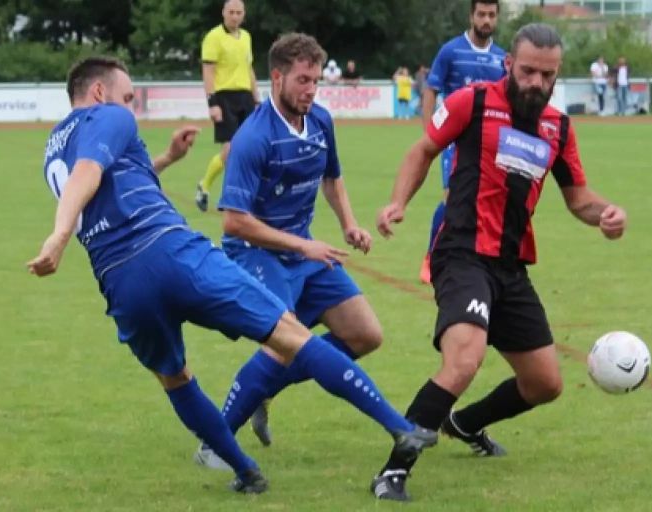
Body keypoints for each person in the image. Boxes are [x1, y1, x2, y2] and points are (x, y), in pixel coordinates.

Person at [28, 56, 437, 496]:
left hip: (120, 282)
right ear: (98, 93)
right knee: (289, 333)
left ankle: (244, 471)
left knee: (175, 377)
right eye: (128, 98)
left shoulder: (54, 146)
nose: (132, 108)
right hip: (171, 251)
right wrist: (58, 235)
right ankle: (399, 427)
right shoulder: (108, 116)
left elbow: (106, 184)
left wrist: (167, 157)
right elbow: (91, 173)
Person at [371, 23, 628, 502]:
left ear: (557, 76)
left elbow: (579, 199)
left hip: (510, 266)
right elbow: (423, 150)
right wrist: (398, 201)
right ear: (509, 63)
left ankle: (463, 422)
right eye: (527, 71)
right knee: (464, 360)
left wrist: (606, 215)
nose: (535, 82)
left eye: (546, 75)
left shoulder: (559, 127)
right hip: (462, 253)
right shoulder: (473, 102)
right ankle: (393, 470)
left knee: (545, 383)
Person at [193, 31, 409, 469]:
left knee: (365, 334)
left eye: (316, 81)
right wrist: (302, 244)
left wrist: (349, 224)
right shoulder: (255, 137)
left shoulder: (321, 120)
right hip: (253, 254)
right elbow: (234, 221)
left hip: (304, 253)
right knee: (282, 344)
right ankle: (213, 442)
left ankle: (264, 389)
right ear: (277, 78)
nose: (311, 90)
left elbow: (331, 178)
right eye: (303, 81)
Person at [420, 0, 507, 284]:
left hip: (489, 146)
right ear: (471, 16)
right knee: (451, 198)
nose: (486, 20)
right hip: (454, 141)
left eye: (491, 15)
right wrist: (431, 133)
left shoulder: (501, 58)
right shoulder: (451, 51)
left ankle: (479, 257)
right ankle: (432, 257)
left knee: (485, 202)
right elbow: (431, 90)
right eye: (481, 14)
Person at [195, 0, 261, 213]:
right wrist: (212, 103)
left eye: (238, 12)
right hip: (224, 97)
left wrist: (257, 98)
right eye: (231, 12)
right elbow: (208, 71)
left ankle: (241, 194)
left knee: (250, 148)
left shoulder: (247, 37)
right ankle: (206, 186)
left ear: (244, 14)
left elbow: (248, 68)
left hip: (245, 97)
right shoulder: (213, 37)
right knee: (230, 149)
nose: (235, 16)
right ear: (223, 13)